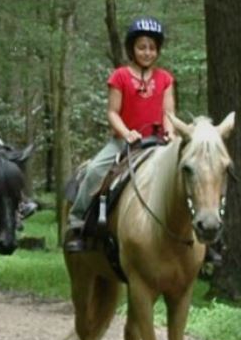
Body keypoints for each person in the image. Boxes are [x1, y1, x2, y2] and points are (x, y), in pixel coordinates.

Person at [65, 17, 176, 250]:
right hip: (125, 142)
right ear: (132, 49)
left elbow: (168, 112)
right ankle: (77, 222)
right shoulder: (120, 76)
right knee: (95, 170)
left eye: (152, 48)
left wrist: (171, 134)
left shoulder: (165, 78)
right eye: (142, 47)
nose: (147, 52)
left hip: (157, 142)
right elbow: (113, 113)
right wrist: (126, 133)